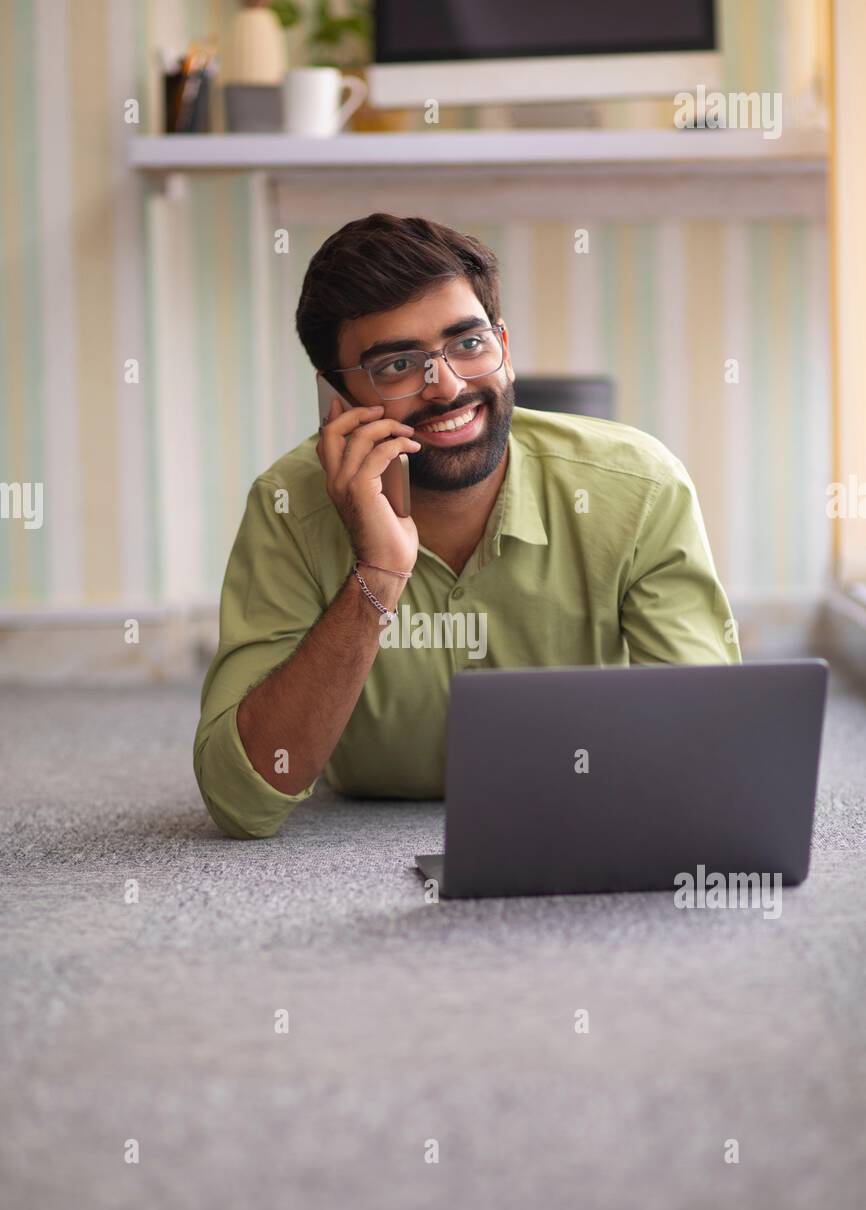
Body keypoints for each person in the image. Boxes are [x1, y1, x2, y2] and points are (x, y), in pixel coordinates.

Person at [194, 212, 740, 839]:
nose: (447, 387)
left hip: (580, 821)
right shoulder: (287, 507)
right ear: (336, 401)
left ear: (504, 350)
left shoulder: (641, 488)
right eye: (397, 364)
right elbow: (243, 802)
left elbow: (709, 756)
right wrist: (377, 575)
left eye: (469, 344)